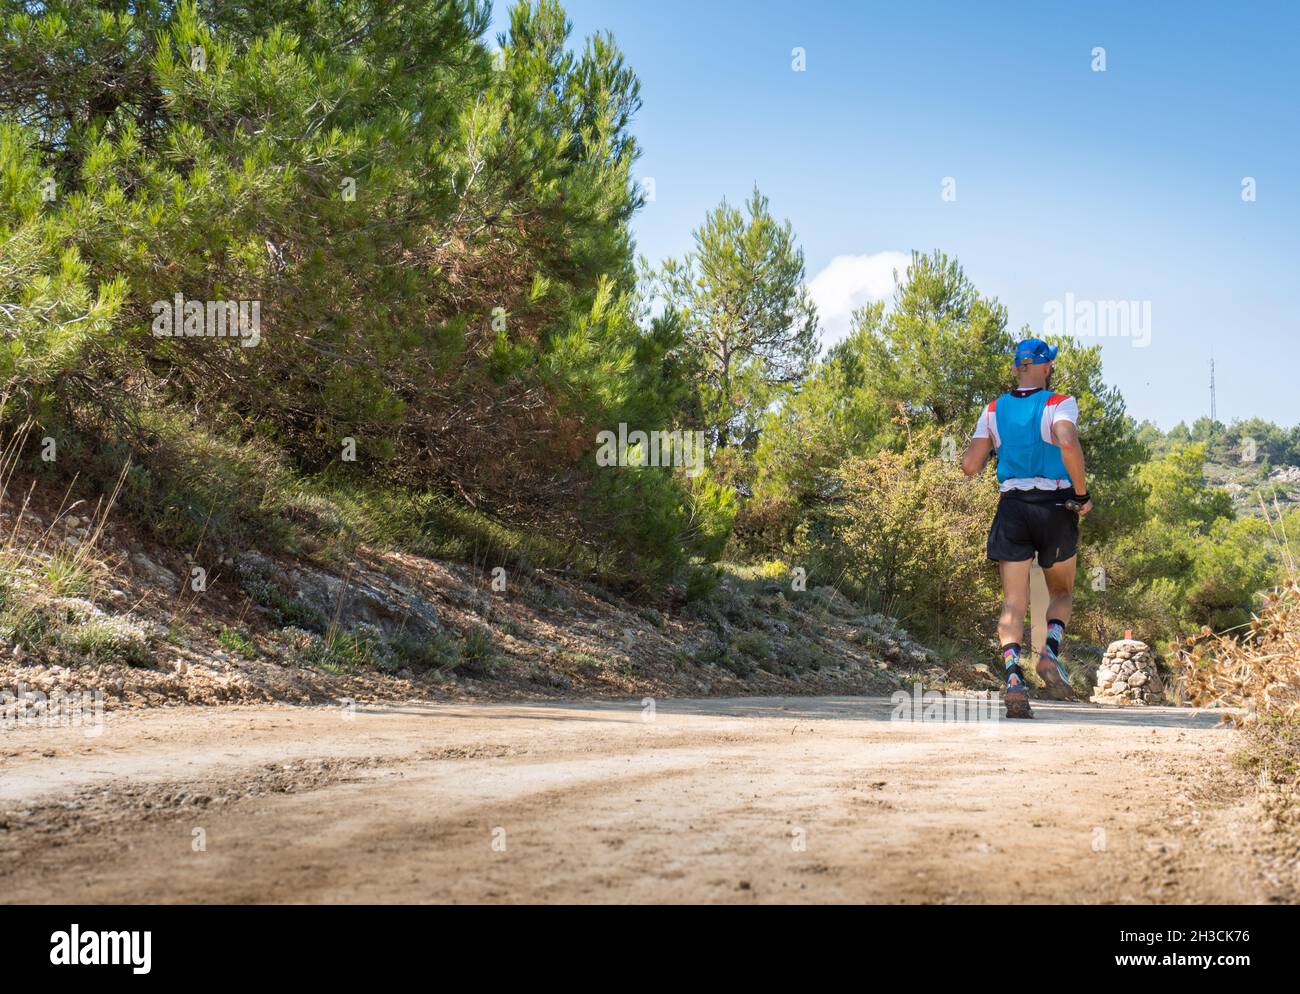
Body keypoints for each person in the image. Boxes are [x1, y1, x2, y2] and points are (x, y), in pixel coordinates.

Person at [960, 338, 1093, 718]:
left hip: (1013, 507)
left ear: (1018, 367)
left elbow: (970, 465)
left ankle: (1013, 677)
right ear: (1047, 367)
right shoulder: (1058, 403)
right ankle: (1049, 653)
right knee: (1062, 591)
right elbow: (1067, 441)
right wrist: (1081, 495)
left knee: (1013, 601)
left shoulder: (993, 409)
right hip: (1056, 505)